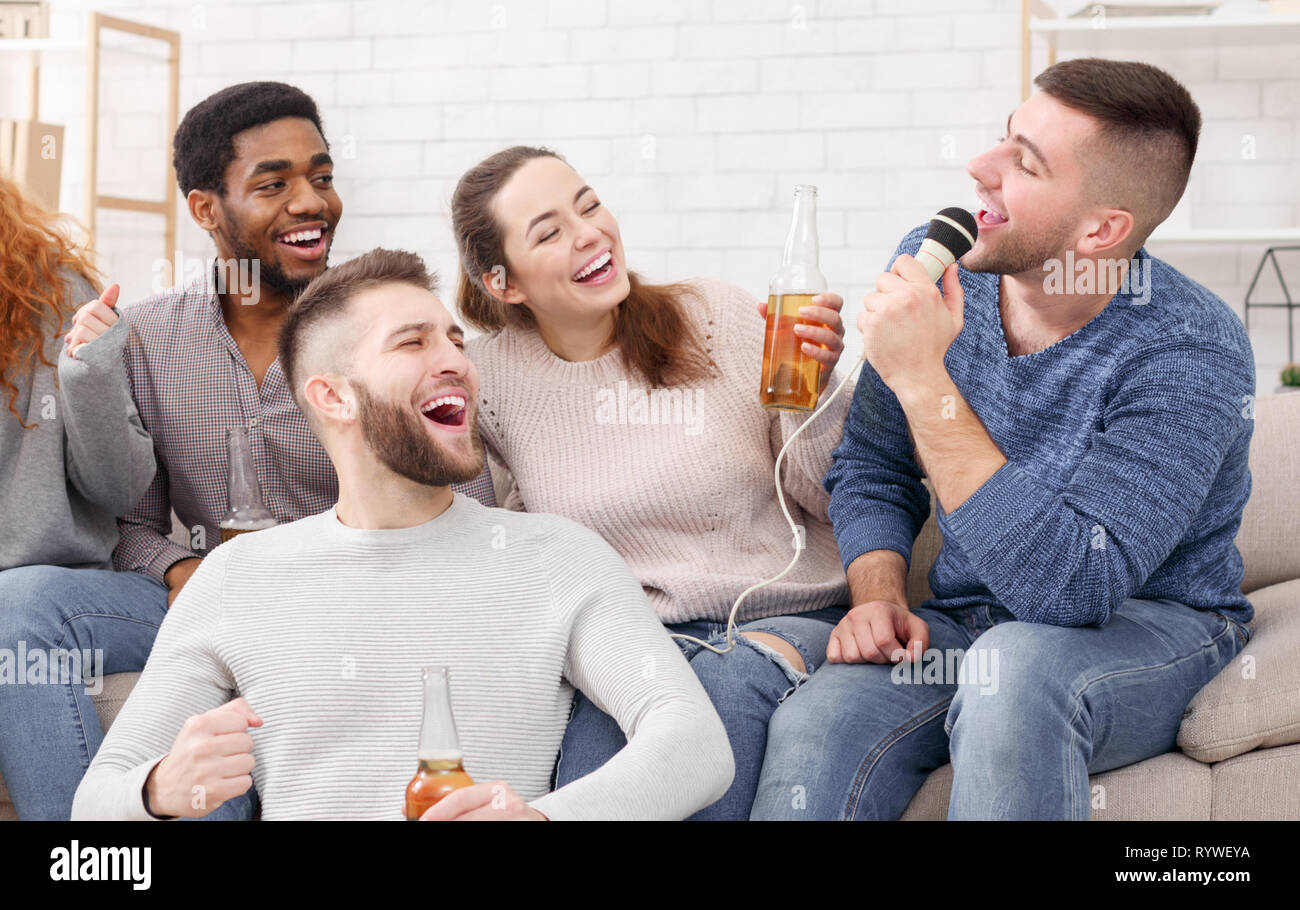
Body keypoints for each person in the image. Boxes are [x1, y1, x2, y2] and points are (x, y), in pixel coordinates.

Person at [751, 58, 1256, 821]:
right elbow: (875, 466)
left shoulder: (1189, 349)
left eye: (1023, 163)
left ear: (1102, 229)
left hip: (1148, 625)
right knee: (817, 720)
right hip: (967, 625)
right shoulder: (940, 262)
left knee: (1016, 670)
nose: (978, 168)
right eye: (1003, 139)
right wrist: (878, 596)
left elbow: (1073, 589)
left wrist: (926, 380)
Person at [71, 248, 733, 821]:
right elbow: (96, 797)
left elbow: (694, 743)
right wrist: (157, 789)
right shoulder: (237, 577)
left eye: (455, 340)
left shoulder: (558, 558)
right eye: (413, 343)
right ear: (332, 397)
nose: (456, 363)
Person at [452, 146, 854, 820]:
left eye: (588, 205)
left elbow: (830, 496)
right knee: (598, 780)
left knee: (717, 701)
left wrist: (815, 390)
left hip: (780, 616)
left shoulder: (717, 318)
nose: (589, 233)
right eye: (548, 232)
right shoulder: (490, 383)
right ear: (504, 284)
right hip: (629, 645)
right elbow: (487, 537)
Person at [0, 174, 159, 819]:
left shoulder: (52, 295)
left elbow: (120, 489)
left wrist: (88, 376)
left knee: (14, 607)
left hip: (74, 594)